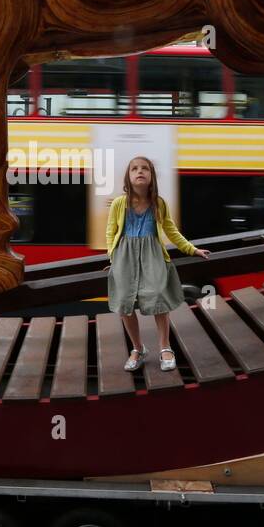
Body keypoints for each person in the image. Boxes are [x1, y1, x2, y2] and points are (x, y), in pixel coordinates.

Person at [104, 156, 211, 373]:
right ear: (128, 176)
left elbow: (172, 231)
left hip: (152, 256)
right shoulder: (118, 204)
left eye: (145, 168)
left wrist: (192, 249)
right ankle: (138, 348)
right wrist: (113, 258)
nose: (139, 171)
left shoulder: (158, 204)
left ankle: (165, 347)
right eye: (134, 168)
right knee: (124, 302)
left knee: (159, 297)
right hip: (124, 257)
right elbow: (110, 232)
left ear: (151, 176)